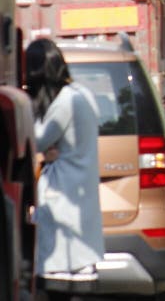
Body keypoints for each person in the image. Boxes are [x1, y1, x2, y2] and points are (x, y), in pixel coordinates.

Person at [26, 38, 104, 279]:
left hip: (63, 203)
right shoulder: (82, 93)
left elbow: (36, 139)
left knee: (57, 279)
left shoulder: (64, 103)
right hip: (80, 204)